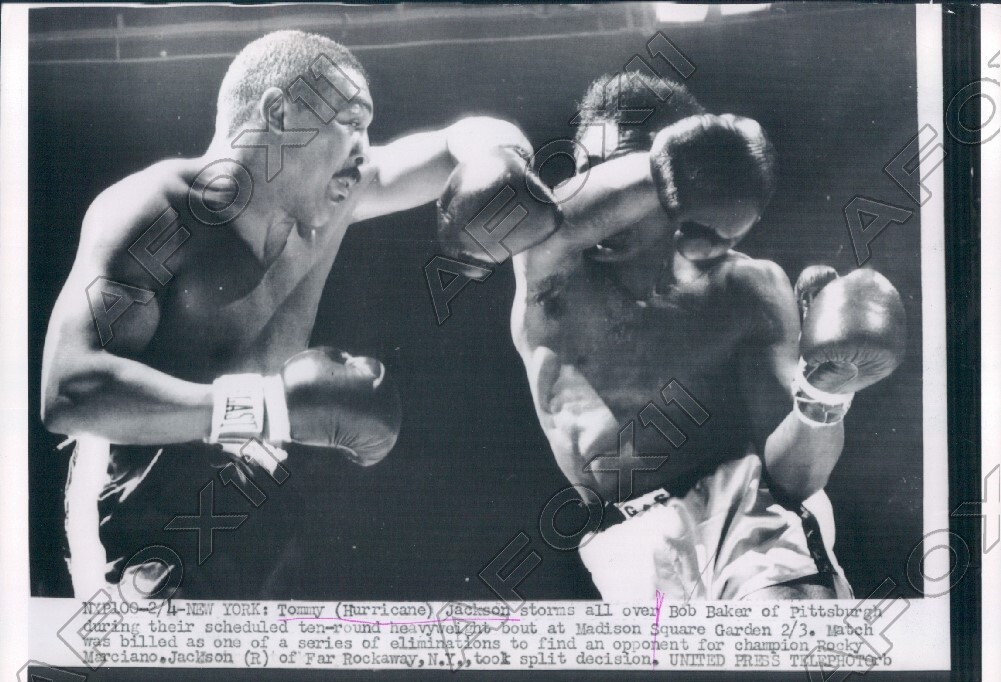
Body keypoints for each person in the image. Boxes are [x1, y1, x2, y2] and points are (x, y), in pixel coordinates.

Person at [41, 30, 559, 600]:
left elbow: (461, 138)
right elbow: (70, 391)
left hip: (255, 486)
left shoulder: (337, 197)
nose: (365, 149)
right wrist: (266, 407)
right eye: (350, 121)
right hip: (134, 497)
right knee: (140, 681)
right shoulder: (158, 215)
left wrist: (500, 161)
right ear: (279, 112)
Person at [438, 72, 906, 600]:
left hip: (748, 511)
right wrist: (677, 163)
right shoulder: (551, 273)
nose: (599, 194)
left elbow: (795, 480)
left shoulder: (746, 285)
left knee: (789, 660)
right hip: (625, 543)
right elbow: (560, 218)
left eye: (626, 173)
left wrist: (823, 396)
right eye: (587, 173)